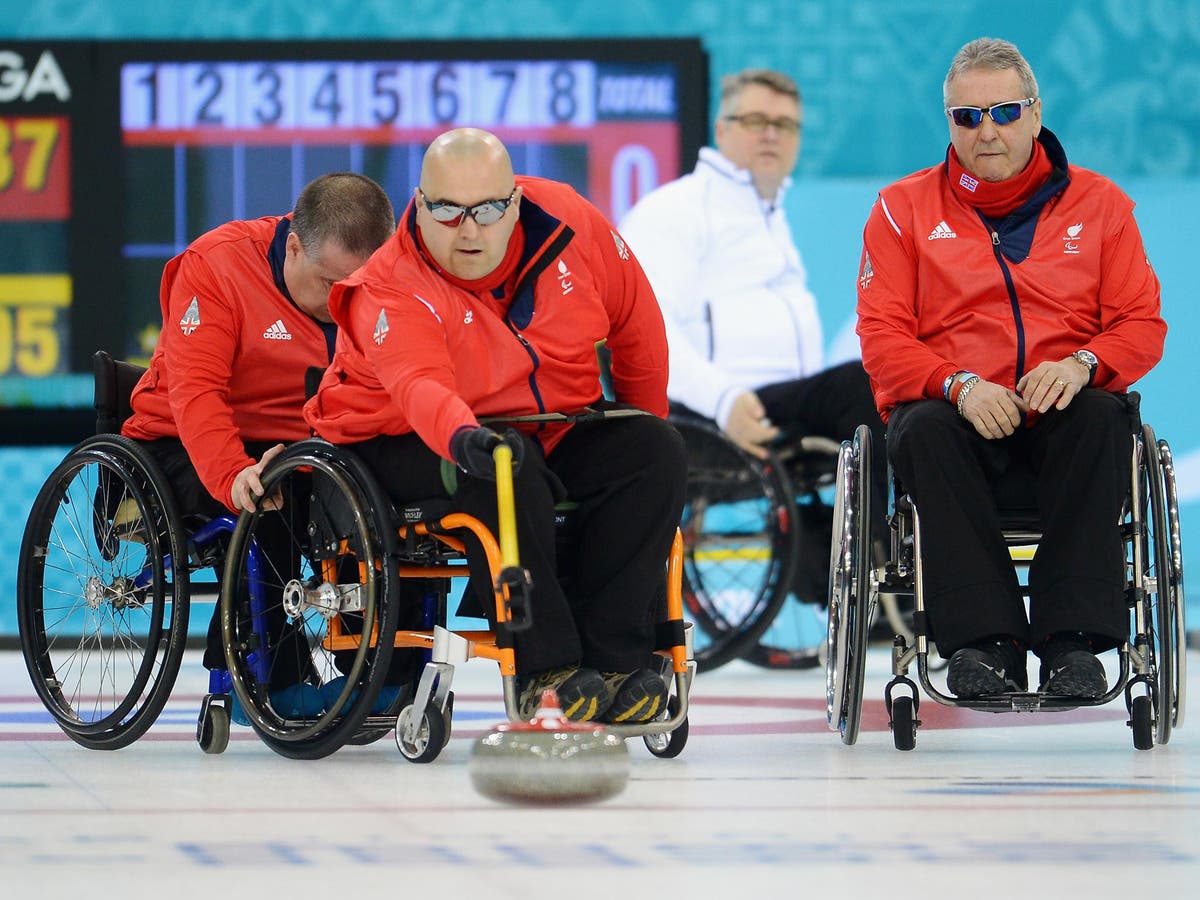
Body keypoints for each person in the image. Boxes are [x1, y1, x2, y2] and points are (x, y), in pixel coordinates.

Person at [304, 127, 686, 723]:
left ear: (513, 203)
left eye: (486, 209)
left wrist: (642, 420)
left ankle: (615, 663)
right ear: (420, 205)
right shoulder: (390, 284)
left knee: (653, 450)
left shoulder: (569, 222)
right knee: (507, 465)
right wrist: (465, 439)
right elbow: (420, 387)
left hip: (543, 425)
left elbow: (638, 325)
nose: (470, 229)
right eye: (448, 212)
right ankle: (546, 671)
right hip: (397, 439)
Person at [855, 37, 1165, 699]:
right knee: (922, 428)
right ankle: (981, 643)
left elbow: (1142, 325)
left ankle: (1071, 644)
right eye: (966, 117)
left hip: (1063, 420)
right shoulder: (902, 209)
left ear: (1034, 112)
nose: (985, 131)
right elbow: (881, 337)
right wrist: (957, 384)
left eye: (1001, 112)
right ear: (949, 122)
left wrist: (1084, 363)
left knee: (1102, 414)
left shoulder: (1100, 203)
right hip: (959, 423)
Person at [121, 172, 396, 716]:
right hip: (179, 442)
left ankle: (388, 670)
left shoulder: (384, 284)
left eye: (356, 288)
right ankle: (273, 679)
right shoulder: (216, 265)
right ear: (294, 246)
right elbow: (195, 392)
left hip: (307, 442)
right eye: (328, 283)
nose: (339, 303)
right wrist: (233, 474)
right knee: (272, 494)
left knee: (387, 496)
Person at [618, 68, 887, 594]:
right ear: (721, 128)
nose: (772, 135)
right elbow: (645, 331)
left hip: (775, 405)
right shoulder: (675, 210)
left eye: (786, 125)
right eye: (757, 120)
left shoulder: (768, 216)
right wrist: (722, 400)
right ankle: (878, 565)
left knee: (898, 386)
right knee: (861, 385)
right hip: (707, 411)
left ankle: (850, 582)